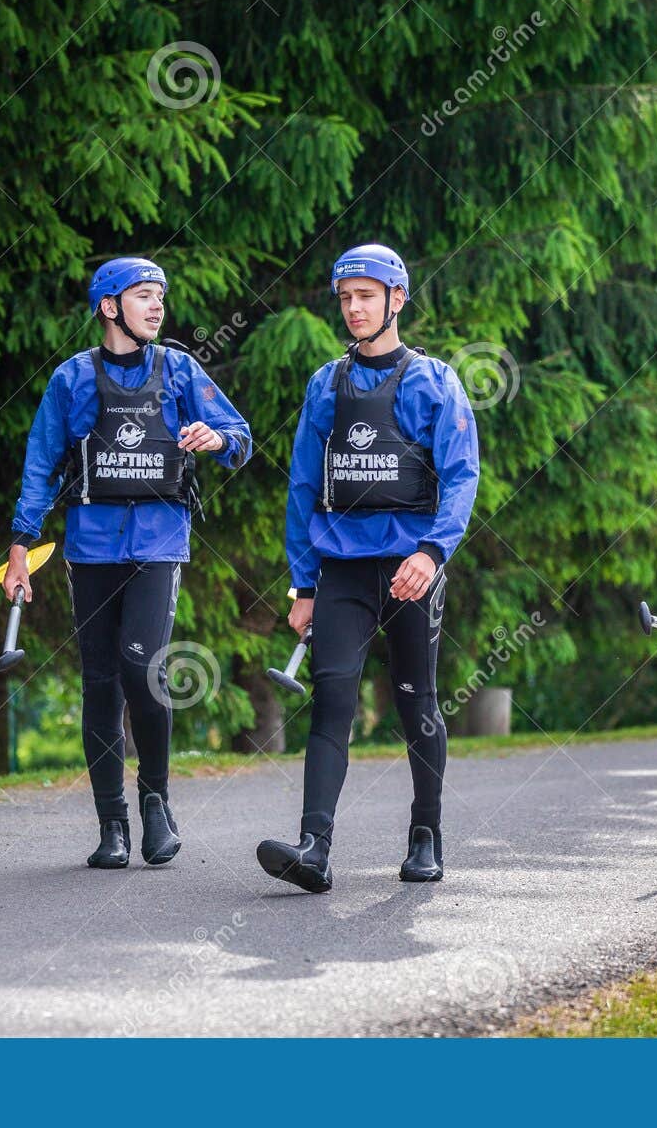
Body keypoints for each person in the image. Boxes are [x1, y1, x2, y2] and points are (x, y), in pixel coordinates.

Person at [4, 257, 252, 869]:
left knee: (145, 668)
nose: (158, 306)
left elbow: (240, 437)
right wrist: (19, 547)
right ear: (110, 306)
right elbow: (41, 465)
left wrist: (216, 439)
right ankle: (112, 825)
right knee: (100, 683)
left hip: (159, 544)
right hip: (91, 548)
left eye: (161, 296)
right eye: (144, 296)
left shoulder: (181, 370)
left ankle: (155, 804)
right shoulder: (70, 380)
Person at [256, 244, 480, 893]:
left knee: (416, 702)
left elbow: (463, 476)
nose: (353, 308)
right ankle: (313, 848)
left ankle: (426, 831)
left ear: (396, 299)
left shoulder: (435, 381)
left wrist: (432, 552)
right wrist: (302, 584)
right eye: (345, 297)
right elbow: (302, 487)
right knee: (331, 698)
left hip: (412, 568)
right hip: (342, 571)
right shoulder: (325, 384)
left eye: (366, 295)